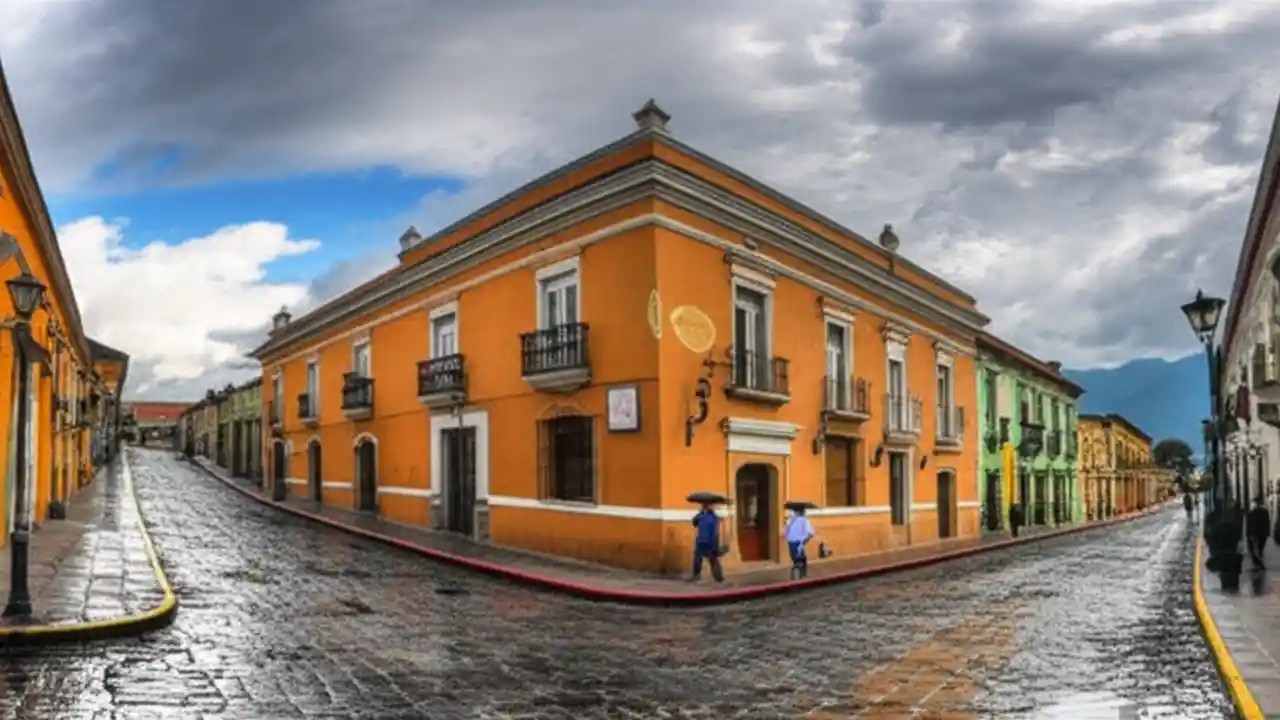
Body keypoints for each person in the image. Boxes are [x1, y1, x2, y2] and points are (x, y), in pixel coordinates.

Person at [689, 503, 724, 583]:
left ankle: (717, 577)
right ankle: (718, 577)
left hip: (706, 541)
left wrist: (715, 544)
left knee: (707, 559)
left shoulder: (709, 517)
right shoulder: (706, 516)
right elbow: (694, 522)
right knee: (704, 559)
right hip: (705, 541)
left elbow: (694, 523)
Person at [784, 507, 815, 580]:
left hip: (791, 543)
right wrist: (805, 540)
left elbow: (786, 532)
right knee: (802, 560)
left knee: (795, 559)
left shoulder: (790, 520)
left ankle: (796, 573)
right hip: (799, 543)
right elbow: (810, 533)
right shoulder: (804, 520)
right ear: (802, 512)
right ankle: (802, 575)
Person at [1248, 496, 1271, 570]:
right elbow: (1267, 523)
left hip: (1256, 534)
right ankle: (1259, 564)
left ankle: (1259, 564)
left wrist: (1251, 534)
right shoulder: (1265, 512)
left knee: (1255, 550)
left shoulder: (1253, 512)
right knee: (1260, 549)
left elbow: (1253, 524)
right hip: (1263, 533)